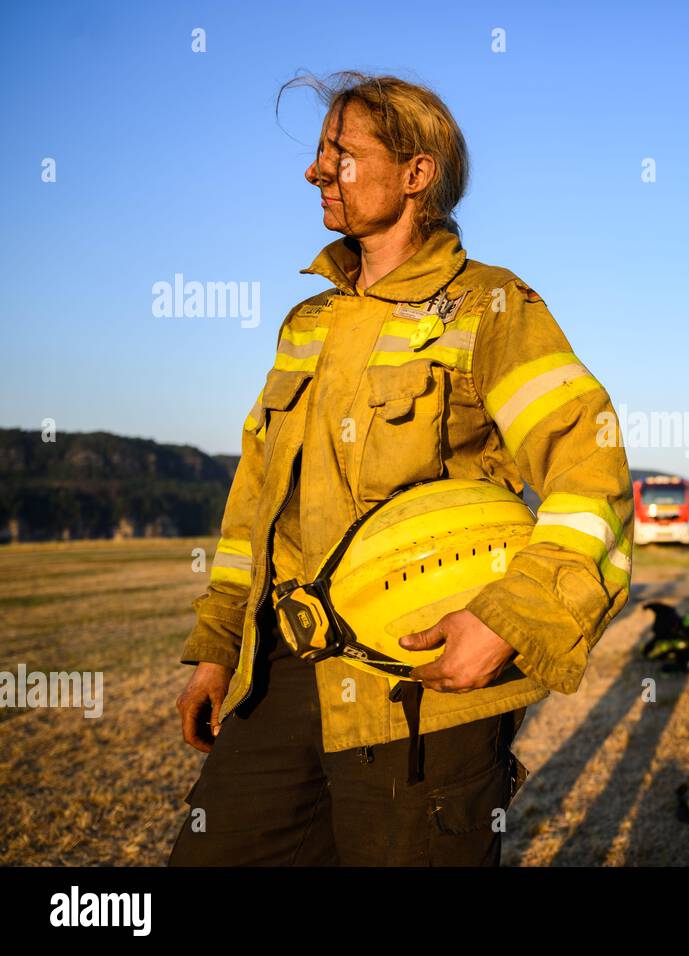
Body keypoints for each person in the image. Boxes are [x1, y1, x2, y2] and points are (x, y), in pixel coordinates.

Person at [169, 74, 632, 866]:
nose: (316, 172)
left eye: (342, 155)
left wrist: (510, 618)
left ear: (417, 174)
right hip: (279, 677)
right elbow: (255, 507)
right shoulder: (305, 325)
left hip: (421, 691)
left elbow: (591, 472)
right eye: (319, 154)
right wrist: (219, 645)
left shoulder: (491, 307)